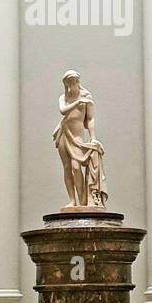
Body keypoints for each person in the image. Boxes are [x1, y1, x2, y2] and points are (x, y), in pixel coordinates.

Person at [52, 70, 108, 209]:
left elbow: (90, 118)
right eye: (68, 82)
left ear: (78, 81)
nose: (71, 84)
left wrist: (93, 137)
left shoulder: (86, 96)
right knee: (67, 168)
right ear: (66, 84)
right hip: (64, 133)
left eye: (73, 81)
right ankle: (73, 201)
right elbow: (62, 110)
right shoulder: (63, 97)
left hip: (77, 136)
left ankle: (83, 201)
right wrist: (78, 103)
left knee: (76, 167)